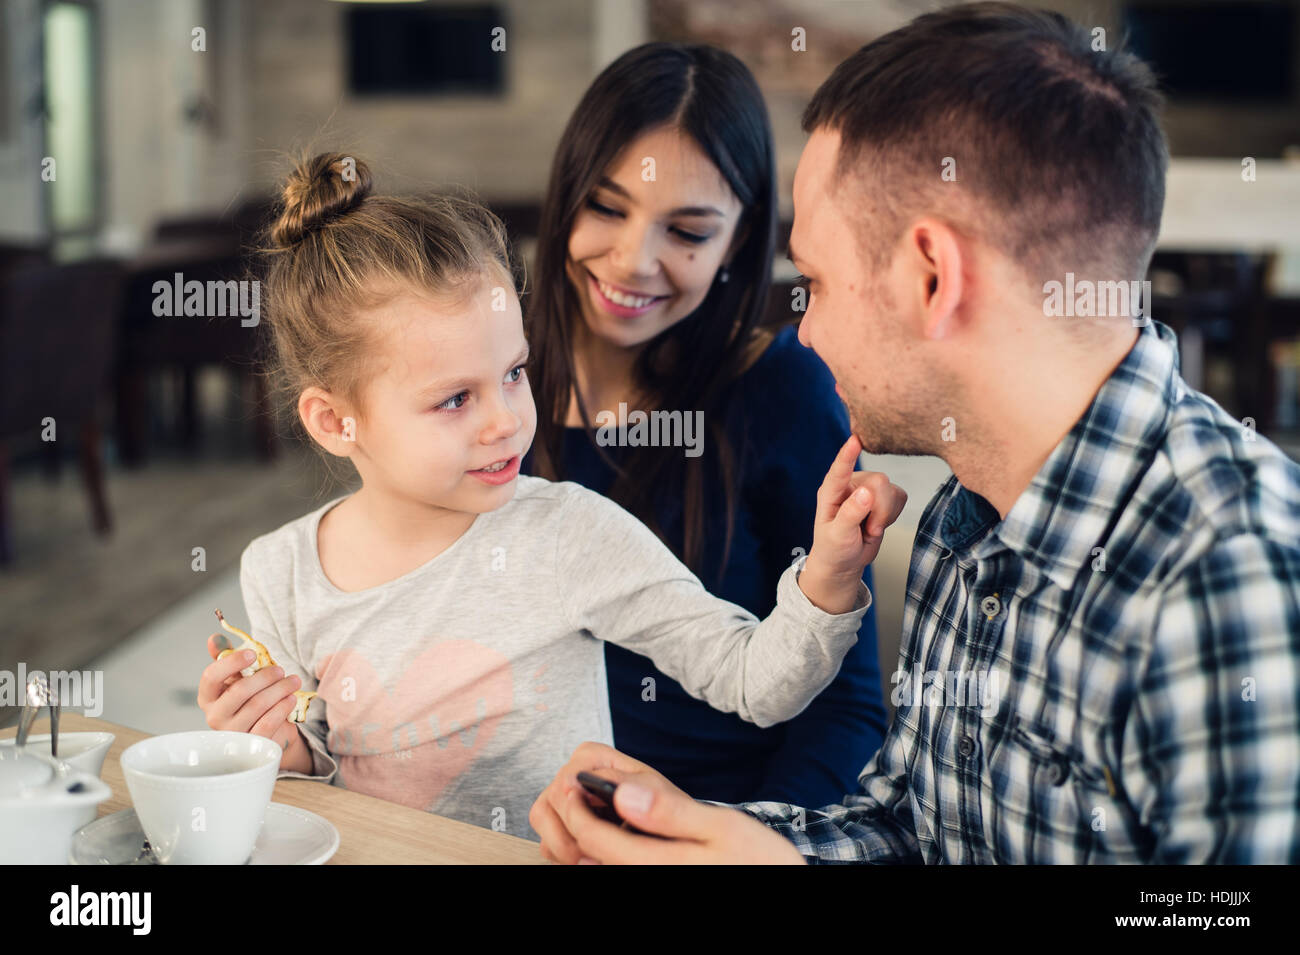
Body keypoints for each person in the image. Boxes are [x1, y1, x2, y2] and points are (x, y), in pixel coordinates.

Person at [529, 1, 1300, 863]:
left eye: (815, 282)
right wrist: (745, 844)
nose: (805, 332)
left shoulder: (1236, 570)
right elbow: (906, 825)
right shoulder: (961, 512)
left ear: (934, 276)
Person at [193, 152, 906, 840]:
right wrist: (280, 752)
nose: (506, 421)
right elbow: (317, 783)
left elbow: (757, 683)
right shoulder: (278, 571)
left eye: (513, 372)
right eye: (453, 399)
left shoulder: (566, 533)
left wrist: (828, 578)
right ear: (334, 421)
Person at [521, 41, 888, 807]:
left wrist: (748, 842)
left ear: (739, 241)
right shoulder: (493, 369)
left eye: (687, 232)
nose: (630, 262)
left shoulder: (781, 390)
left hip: (712, 823)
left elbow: (844, 709)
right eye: (606, 207)